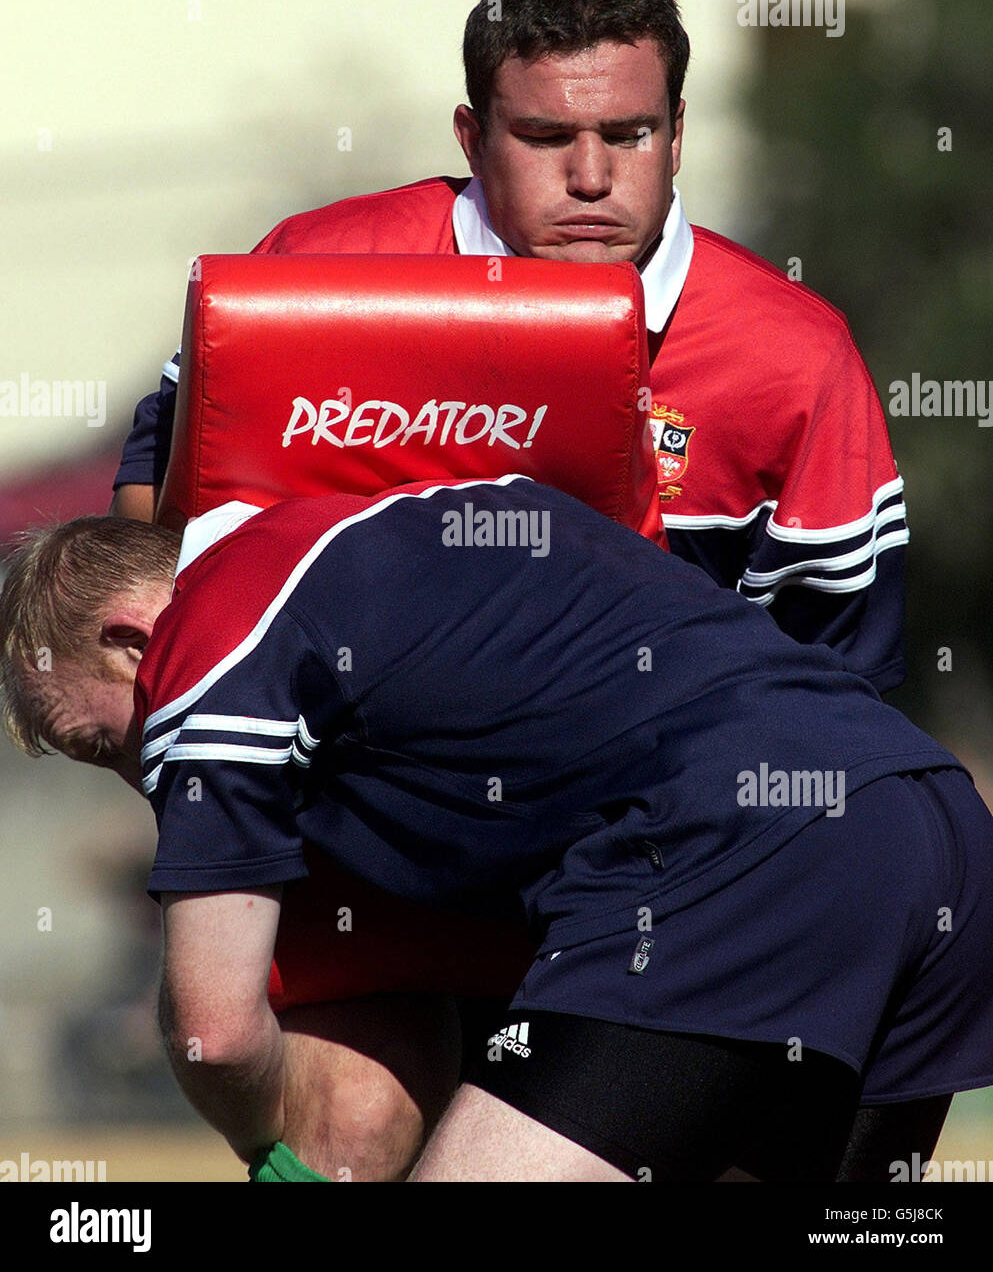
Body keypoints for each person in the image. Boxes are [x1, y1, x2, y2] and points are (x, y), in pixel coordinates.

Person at [2, 478, 991, 1181]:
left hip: (732, 847)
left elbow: (214, 1031)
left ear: (130, 639)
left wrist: (279, 1155)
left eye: (104, 744)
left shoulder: (210, 636)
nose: (143, 777)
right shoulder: (429, 520)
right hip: (934, 826)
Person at [111, 0, 908, 693]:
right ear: (472, 138)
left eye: (629, 135)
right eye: (545, 137)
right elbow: (156, 505)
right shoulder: (318, 274)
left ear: (675, 136)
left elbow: (831, 682)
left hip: (654, 822)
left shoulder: (792, 355)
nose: (592, 178)